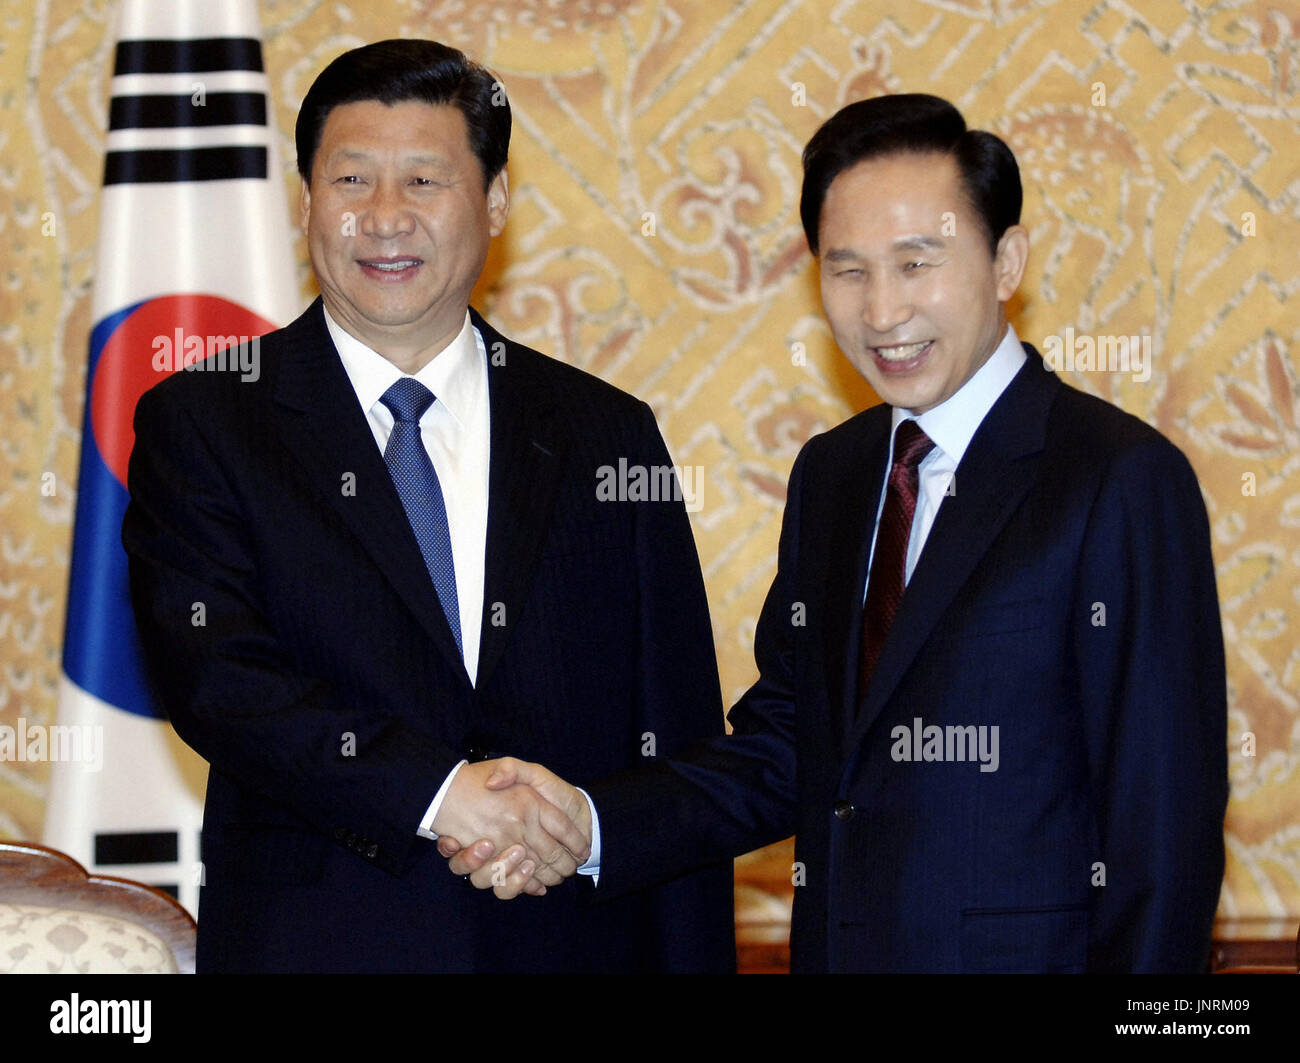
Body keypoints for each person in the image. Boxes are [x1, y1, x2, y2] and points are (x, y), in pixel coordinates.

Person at [450, 94, 1229, 973]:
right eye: (847, 270)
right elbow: (790, 747)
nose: (883, 311)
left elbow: (1164, 831)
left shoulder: (1115, 476)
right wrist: (588, 823)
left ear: (1006, 260)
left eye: (917, 262)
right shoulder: (836, 474)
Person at [122, 38, 733, 973]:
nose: (384, 218)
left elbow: (678, 728)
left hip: (571, 945)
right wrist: (441, 793)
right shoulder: (206, 420)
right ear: (306, 203)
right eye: (351, 180)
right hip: (320, 946)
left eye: (423, 181)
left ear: (492, 203)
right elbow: (215, 677)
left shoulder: (605, 432)